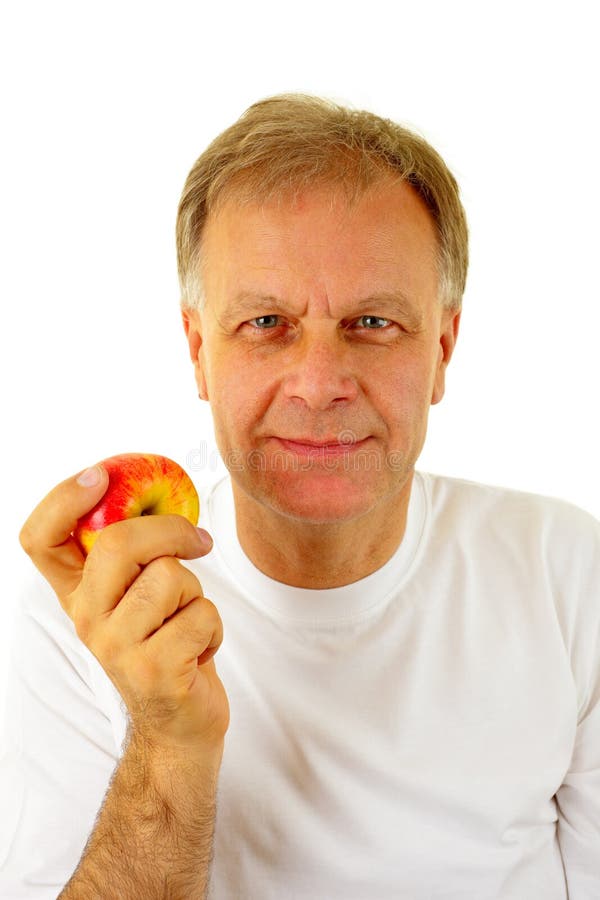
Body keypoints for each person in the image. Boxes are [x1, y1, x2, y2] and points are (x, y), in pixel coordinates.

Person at [1, 93, 598, 900]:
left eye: (374, 321)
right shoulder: (99, 606)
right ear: (199, 351)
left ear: (444, 349)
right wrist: (170, 745)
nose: (319, 385)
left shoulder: (569, 574)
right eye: (267, 322)